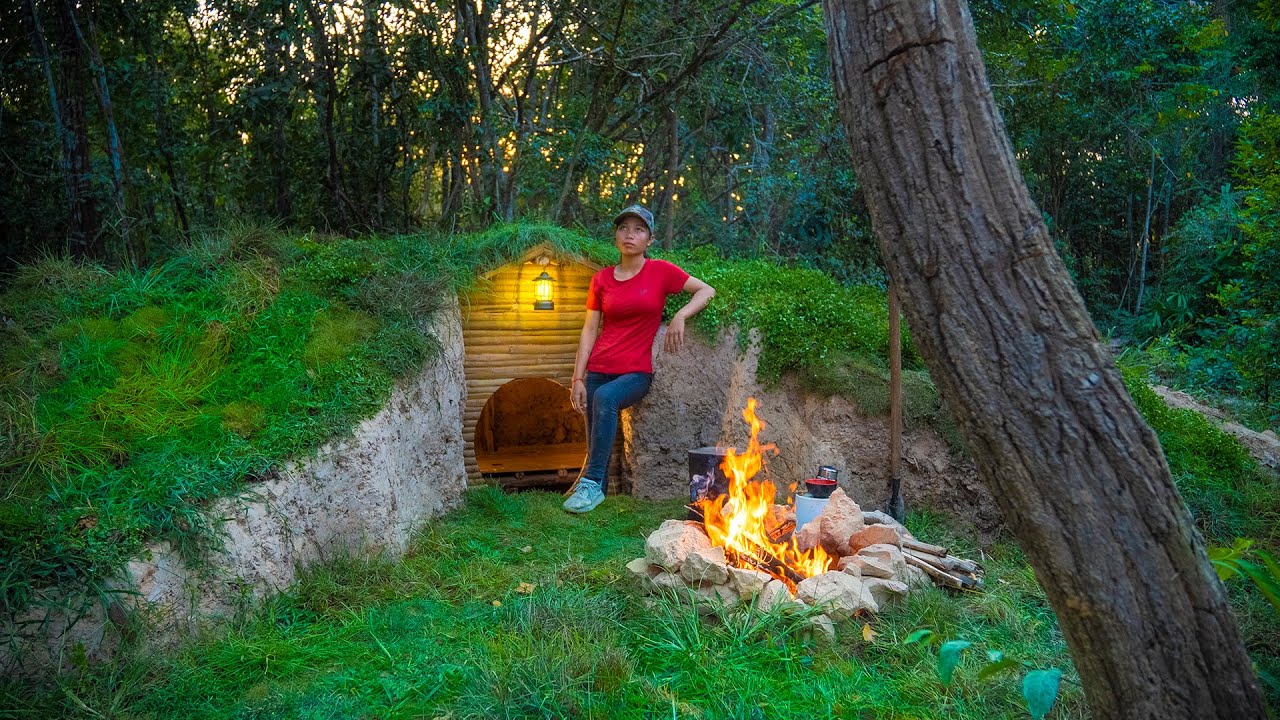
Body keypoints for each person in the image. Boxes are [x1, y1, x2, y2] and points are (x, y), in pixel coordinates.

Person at [562, 204, 716, 513]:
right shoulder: (602, 279)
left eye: (638, 229)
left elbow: (706, 290)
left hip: (635, 373)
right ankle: (596, 487)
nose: (629, 235)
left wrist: (680, 316)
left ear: (650, 239)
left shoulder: (660, 271)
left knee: (606, 398)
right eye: (623, 228)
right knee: (595, 425)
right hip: (598, 369)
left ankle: (590, 485)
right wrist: (577, 378)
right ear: (616, 236)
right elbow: (590, 329)